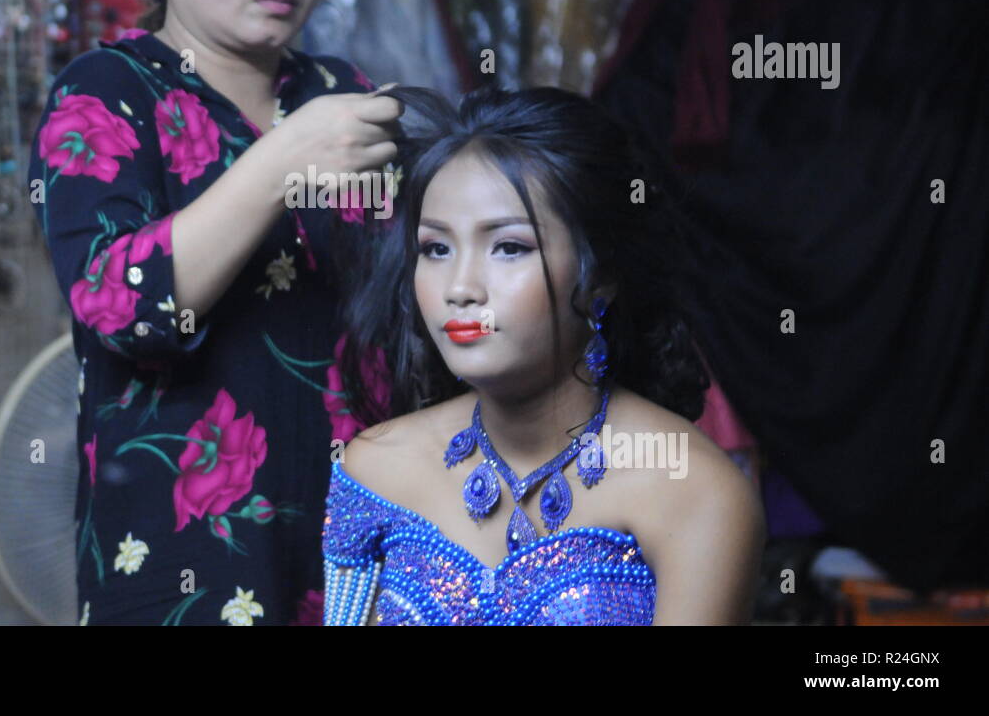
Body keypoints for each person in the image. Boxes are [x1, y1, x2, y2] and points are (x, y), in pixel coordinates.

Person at [28, 0, 402, 626]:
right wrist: (279, 162)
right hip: (182, 562)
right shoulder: (107, 95)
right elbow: (123, 308)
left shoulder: (342, 90)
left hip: (362, 539)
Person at [324, 86, 765, 625]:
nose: (460, 287)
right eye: (436, 248)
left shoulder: (695, 490)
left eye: (509, 246)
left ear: (601, 275)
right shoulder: (374, 470)